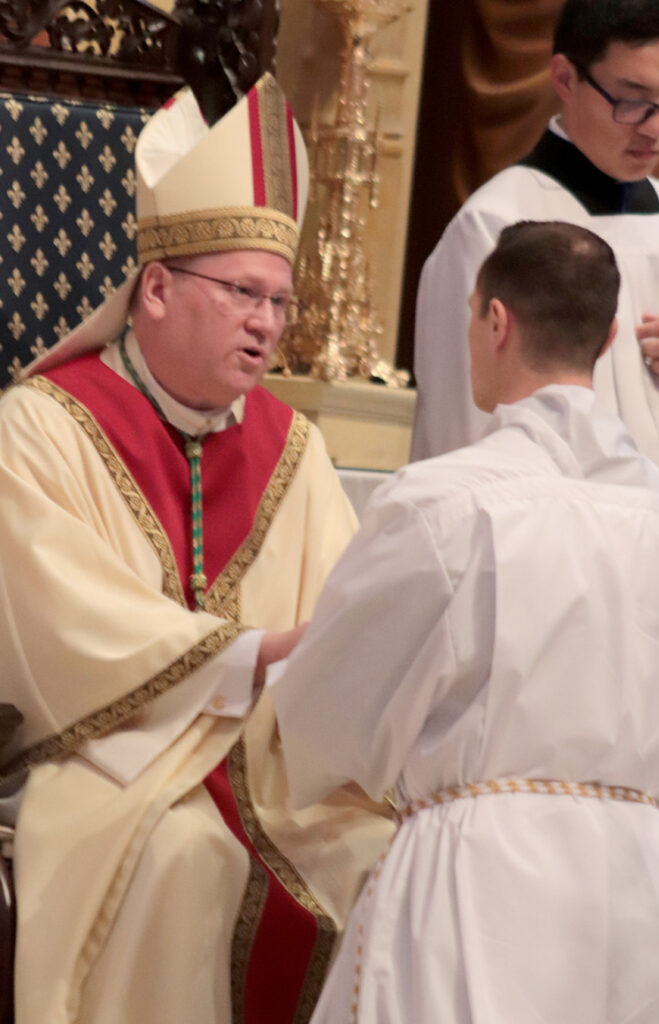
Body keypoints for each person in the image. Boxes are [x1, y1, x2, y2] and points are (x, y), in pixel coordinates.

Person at [0, 74, 392, 1024]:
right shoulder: (41, 426)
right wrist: (253, 654)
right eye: (244, 294)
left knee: (380, 855)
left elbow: (345, 614)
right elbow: (56, 630)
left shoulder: (290, 449)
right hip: (103, 761)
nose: (266, 324)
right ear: (159, 289)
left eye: (280, 303)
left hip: (263, 764)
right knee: (187, 859)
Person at [264, 221, 659, 1023]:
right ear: (608, 337)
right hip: (648, 887)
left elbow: (322, 719)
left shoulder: (441, 504)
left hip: (480, 884)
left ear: (495, 321)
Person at [412, 0, 659, 523]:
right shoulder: (495, 228)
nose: (657, 129)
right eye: (632, 100)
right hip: (560, 573)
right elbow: (460, 444)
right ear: (565, 79)